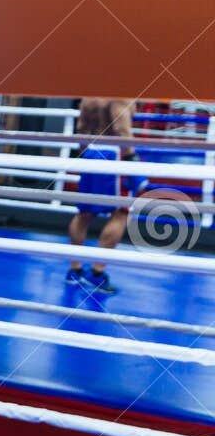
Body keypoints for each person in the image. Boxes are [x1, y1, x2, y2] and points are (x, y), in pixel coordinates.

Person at [65, 97, 145, 294]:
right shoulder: (119, 95)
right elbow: (121, 129)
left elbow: (82, 128)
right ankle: (97, 273)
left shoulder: (89, 97)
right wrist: (132, 161)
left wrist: (87, 156)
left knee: (84, 212)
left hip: (91, 151)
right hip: (114, 154)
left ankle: (74, 270)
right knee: (122, 211)